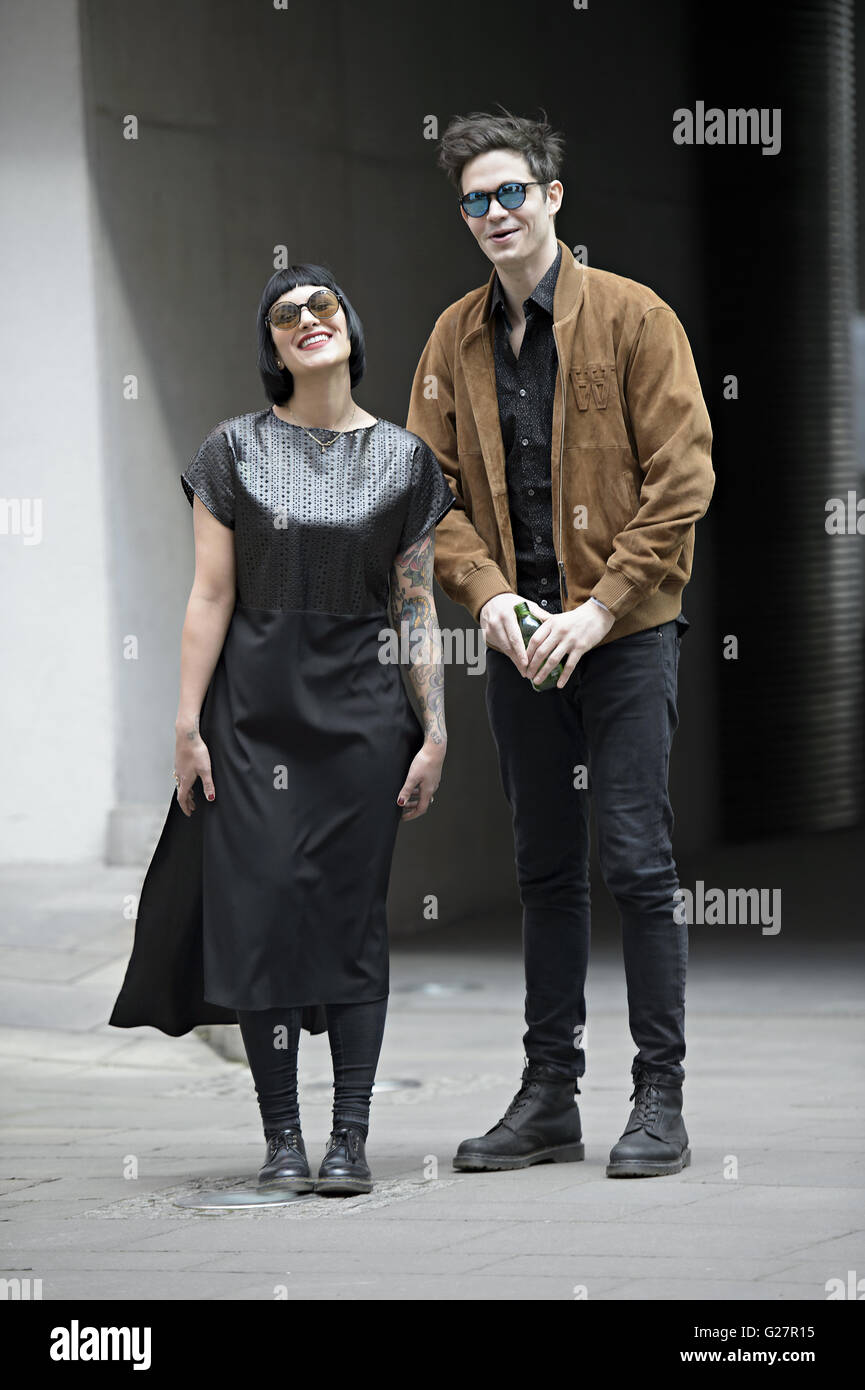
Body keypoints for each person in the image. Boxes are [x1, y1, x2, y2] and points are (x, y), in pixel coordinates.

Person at [406, 108, 715, 1178]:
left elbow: (682, 483)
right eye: (475, 200)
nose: (493, 213)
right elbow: (426, 494)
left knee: (633, 859)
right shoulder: (453, 338)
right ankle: (548, 1097)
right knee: (543, 869)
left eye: (510, 192)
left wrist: (601, 608)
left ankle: (658, 1099)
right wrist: (489, 600)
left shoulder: (635, 318)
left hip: (623, 637)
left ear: (552, 197)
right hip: (521, 643)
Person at [110, 265, 454, 1197]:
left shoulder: (407, 460)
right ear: (271, 348)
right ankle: (281, 1140)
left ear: (349, 327)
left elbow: (415, 601)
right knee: (257, 919)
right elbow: (211, 592)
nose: (307, 320)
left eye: (323, 306)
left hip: (362, 715)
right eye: (285, 315)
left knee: (349, 926)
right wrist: (185, 725)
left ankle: (348, 1139)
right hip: (252, 715)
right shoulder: (231, 451)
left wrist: (433, 729)